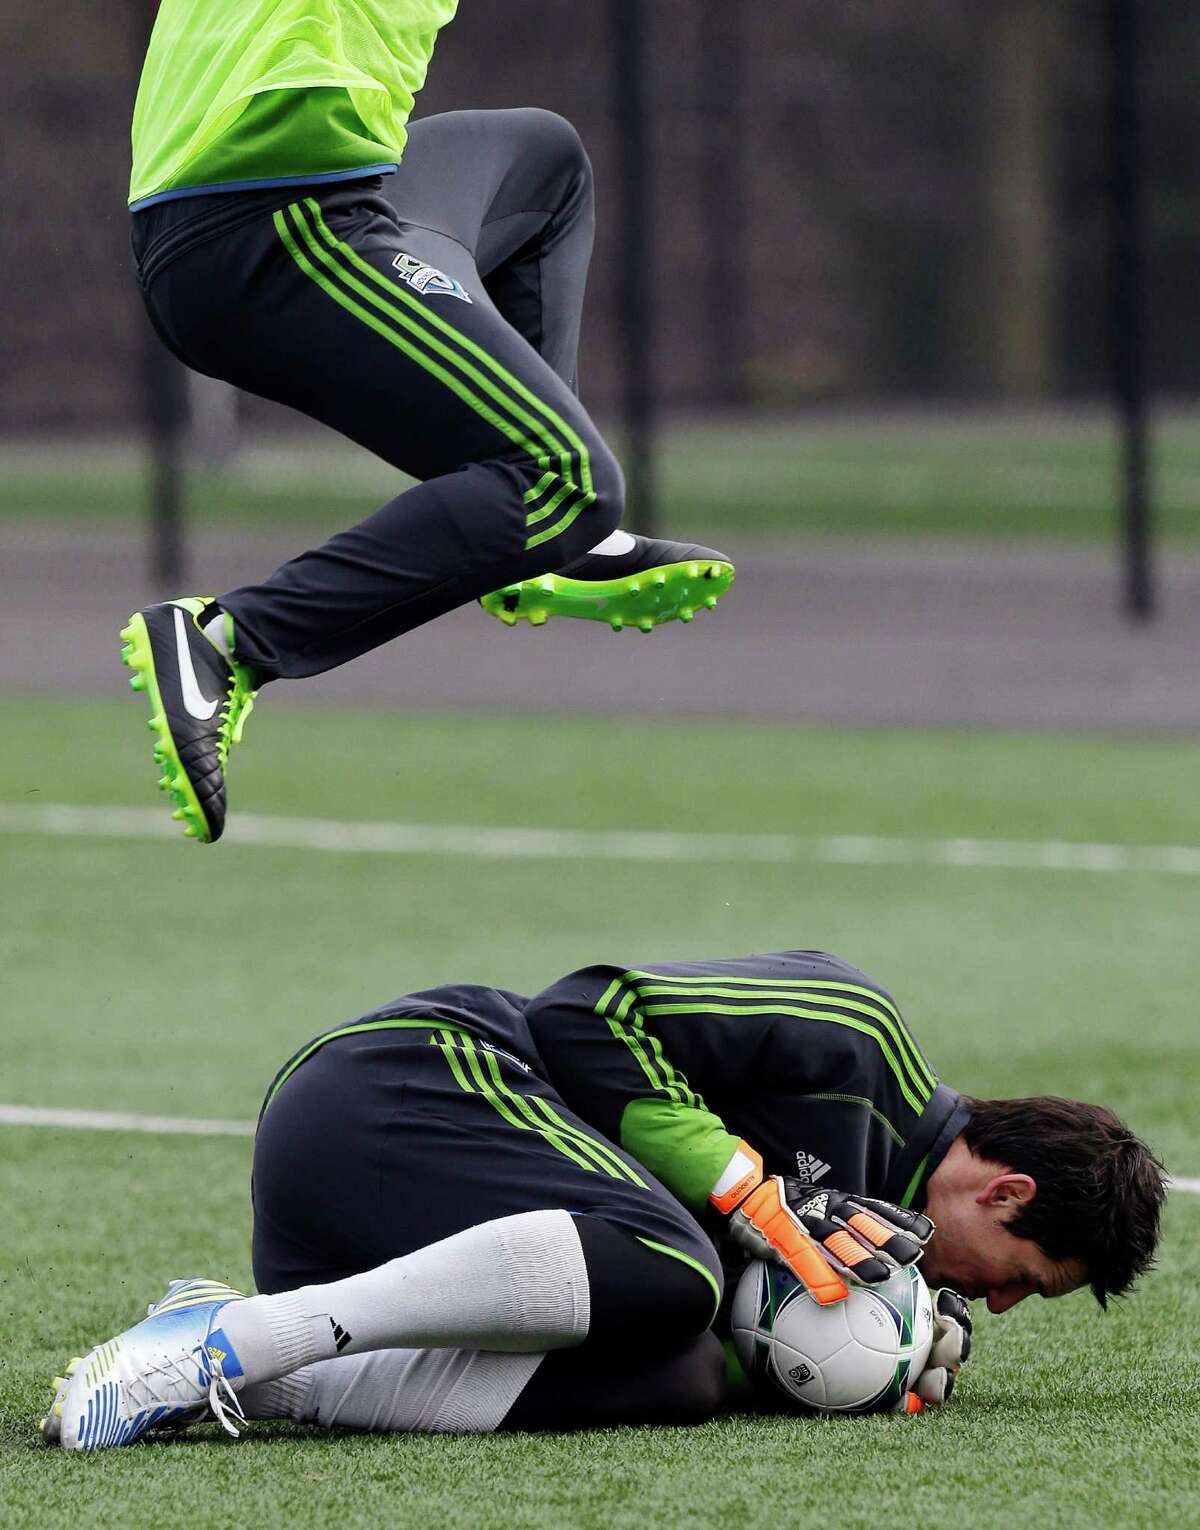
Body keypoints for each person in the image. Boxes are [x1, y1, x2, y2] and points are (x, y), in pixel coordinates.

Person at [42, 949, 1165, 1449]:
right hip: (403, 1081)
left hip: (384, 1251)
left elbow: (691, 1324)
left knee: (679, 1371)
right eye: (1021, 1282)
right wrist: (744, 1189)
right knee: (675, 1265)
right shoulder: (857, 1037)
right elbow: (584, 1010)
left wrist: (827, 1364)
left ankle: (263, 1370)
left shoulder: (882, 1250)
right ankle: (240, 1337)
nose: (998, 1309)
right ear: (1006, 1188)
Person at [119, 2, 735, 844]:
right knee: (567, 477)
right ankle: (227, 641)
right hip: (268, 221)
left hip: (300, 190)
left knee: (545, 165)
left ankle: (535, 544)